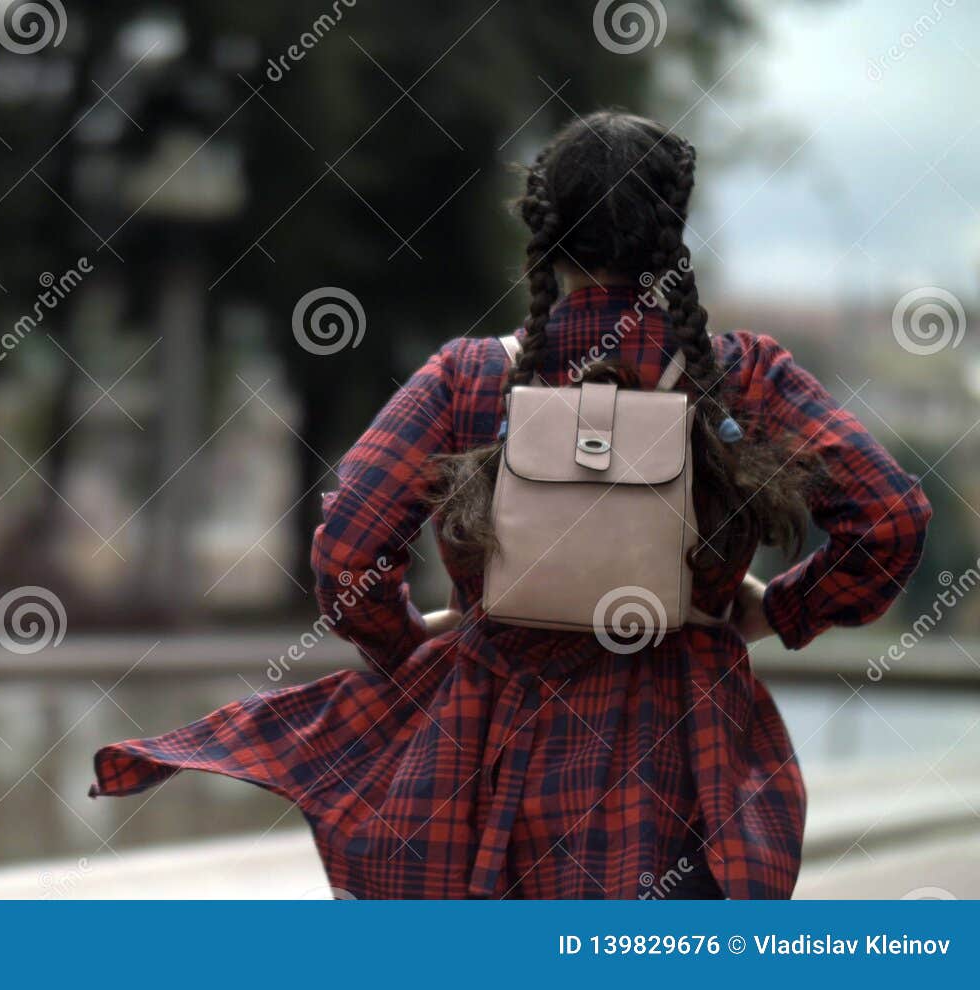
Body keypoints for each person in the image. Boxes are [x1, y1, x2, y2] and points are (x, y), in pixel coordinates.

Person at [90, 110, 932, 899]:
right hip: (686, 763)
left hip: (483, 759)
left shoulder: (470, 376)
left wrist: (410, 639)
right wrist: (775, 610)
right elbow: (890, 519)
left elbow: (348, 551)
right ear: (671, 228)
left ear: (546, 231)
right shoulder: (740, 377)